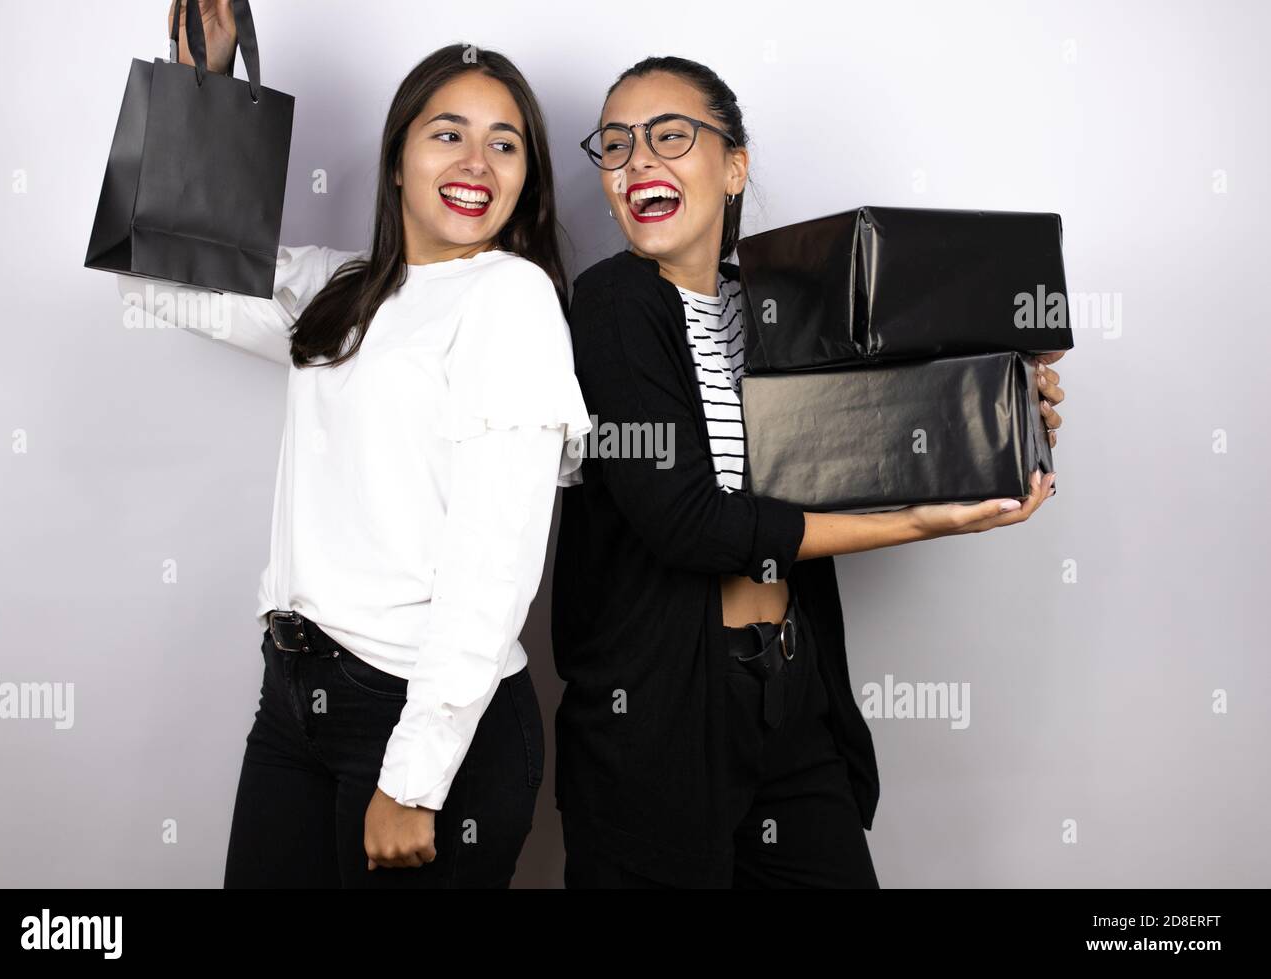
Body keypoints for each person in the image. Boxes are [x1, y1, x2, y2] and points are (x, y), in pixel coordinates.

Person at [552, 55, 1067, 888]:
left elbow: (875, 432)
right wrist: (929, 520)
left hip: (792, 688)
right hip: (661, 722)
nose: (637, 159)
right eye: (615, 145)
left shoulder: (775, 299)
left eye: (670, 136)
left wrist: (1006, 406)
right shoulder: (615, 303)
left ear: (734, 165)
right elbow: (689, 523)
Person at [122, 3, 590, 887]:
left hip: (418, 710)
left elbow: (495, 565)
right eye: (447, 133)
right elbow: (165, 275)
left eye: (504, 144)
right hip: (293, 694)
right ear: (398, 157)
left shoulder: (511, 298)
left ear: (527, 175)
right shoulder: (343, 289)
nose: (474, 164)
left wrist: (415, 776)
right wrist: (202, 88)